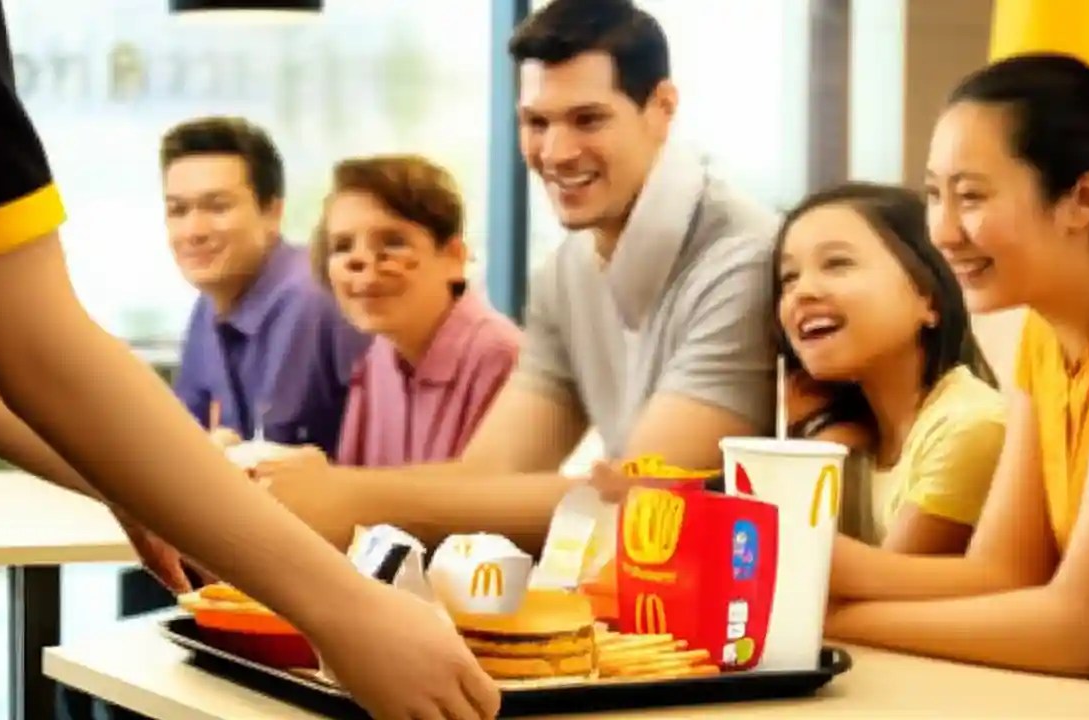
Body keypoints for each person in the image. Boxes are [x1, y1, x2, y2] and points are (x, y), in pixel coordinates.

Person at [0, 6, 498, 719]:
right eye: (178, 209)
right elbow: (28, 349)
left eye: (215, 205)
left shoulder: (306, 308)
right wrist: (346, 610)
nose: (361, 270)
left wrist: (134, 480)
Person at [255, 0, 779, 554]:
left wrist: (351, 497)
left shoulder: (742, 261)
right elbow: (490, 473)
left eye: (588, 119)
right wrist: (301, 483)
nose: (555, 153)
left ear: (662, 107)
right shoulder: (566, 270)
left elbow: (641, 500)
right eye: (536, 122)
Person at [824, 53, 1089, 700]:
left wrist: (830, 623)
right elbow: (1005, 569)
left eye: (971, 197)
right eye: (934, 194)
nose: (940, 232)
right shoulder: (1046, 333)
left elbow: (1074, 628)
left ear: (1083, 200)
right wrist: (835, 568)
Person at [773, 182, 1005, 553]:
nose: (802, 291)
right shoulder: (849, 440)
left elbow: (815, 590)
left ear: (928, 297)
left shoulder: (970, 425)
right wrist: (812, 444)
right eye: (788, 277)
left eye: (837, 263)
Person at [163, 117, 369, 456]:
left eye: (217, 207)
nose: (193, 230)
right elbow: (187, 441)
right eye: (178, 210)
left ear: (272, 212)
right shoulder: (208, 306)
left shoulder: (322, 297)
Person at [307, 154, 521, 466]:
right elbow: (354, 496)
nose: (364, 264)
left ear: (453, 258)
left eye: (393, 242)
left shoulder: (502, 358)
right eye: (342, 247)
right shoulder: (377, 357)